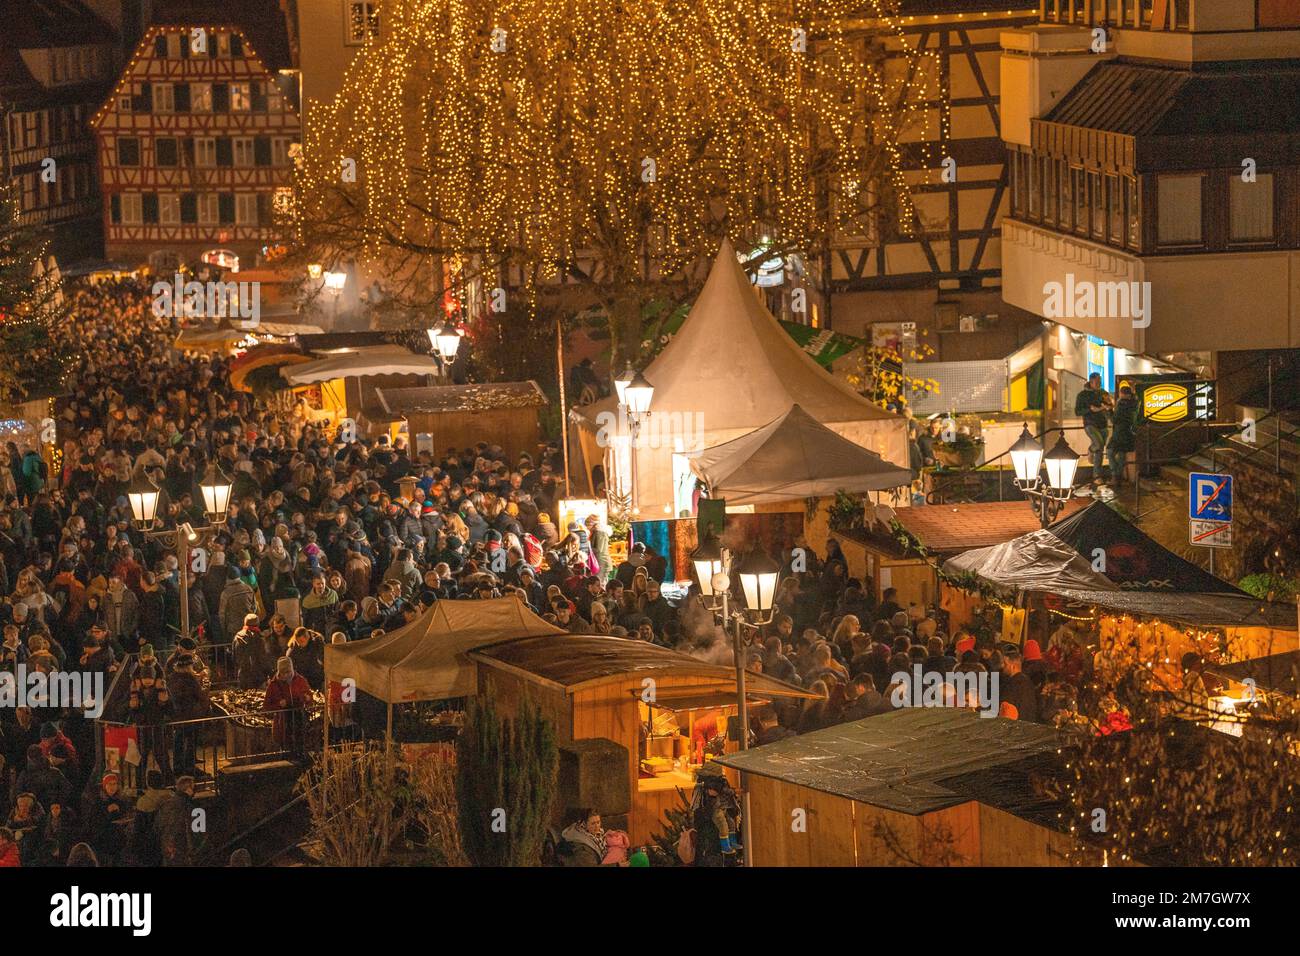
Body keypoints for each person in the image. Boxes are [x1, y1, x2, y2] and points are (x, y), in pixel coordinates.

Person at [263, 656, 312, 754]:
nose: (286, 675)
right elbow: (266, 707)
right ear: (279, 672)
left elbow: (309, 696)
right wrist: (279, 705)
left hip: (299, 719)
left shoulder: (300, 680)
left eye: (288, 672)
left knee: (300, 745)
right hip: (282, 722)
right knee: (286, 749)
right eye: (284, 673)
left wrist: (307, 698)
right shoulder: (273, 685)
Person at [1075, 371, 1113, 490]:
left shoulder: (1103, 393)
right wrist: (1090, 409)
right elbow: (1078, 411)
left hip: (1102, 424)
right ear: (1091, 382)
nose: (1099, 384)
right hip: (1090, 424)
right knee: (1098, 444)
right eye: (1097, 382)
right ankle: (1096, 474)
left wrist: (1108, 407)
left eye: (1100, 382)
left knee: (1100, 449)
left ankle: (1097, 475)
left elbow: (1109, 406)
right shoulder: (1082, 395)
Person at [1107, 383, 1138, 487]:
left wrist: (1109, 410)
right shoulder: (1134, 403)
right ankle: (1118, 478)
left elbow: (1114, 420)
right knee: (1121, 455)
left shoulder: (1122, 404)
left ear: (1122, 394)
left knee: (1110, 452)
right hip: (1128, 433)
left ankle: (1115, 475)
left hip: (1119, 433)